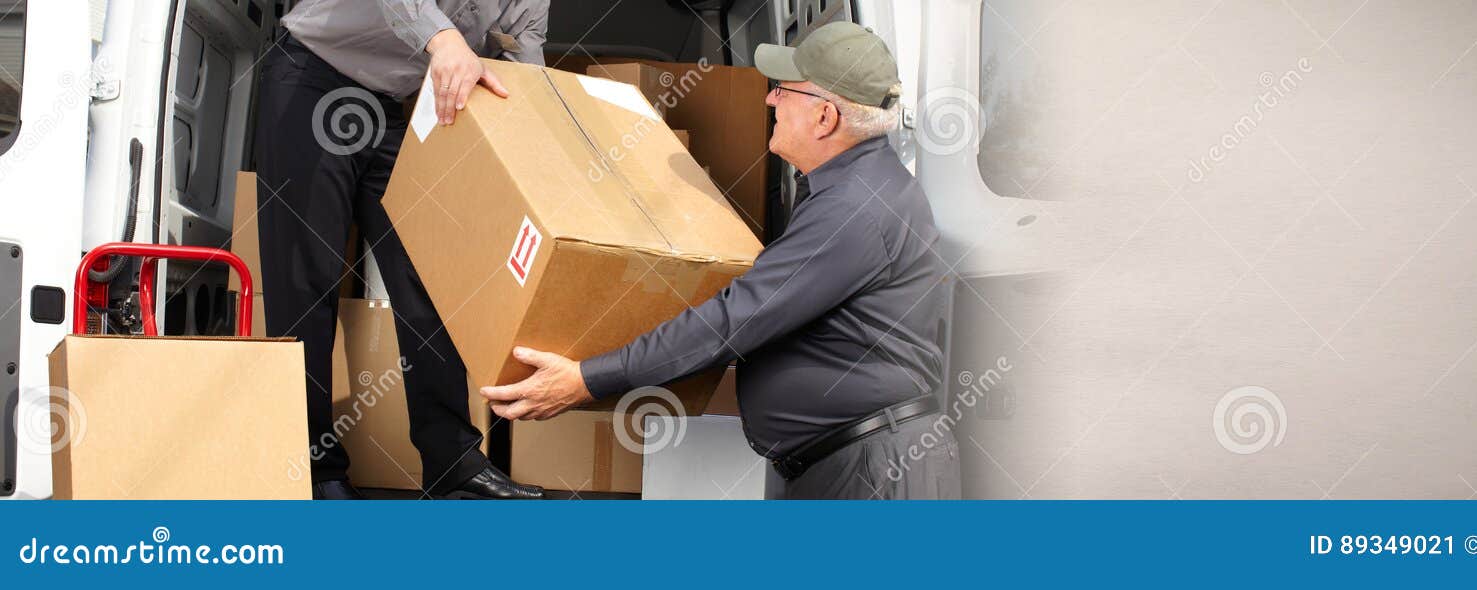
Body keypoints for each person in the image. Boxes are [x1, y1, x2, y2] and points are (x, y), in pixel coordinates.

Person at [479, 22, 961, 500]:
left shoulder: (854, 208)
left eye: (785, 90)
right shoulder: (858, 185)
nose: (770, 99)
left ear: (824, 118)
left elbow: (733, 319)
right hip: (853, 463)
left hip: (874, 478)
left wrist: (587, 379)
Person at [254, 0, 551, 499]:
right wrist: (445, 40)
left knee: (429, 279)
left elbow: (524, 56)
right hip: (315, 77)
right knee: (306, 283)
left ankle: (452, 463)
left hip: (397, 108)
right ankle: (316, 470)